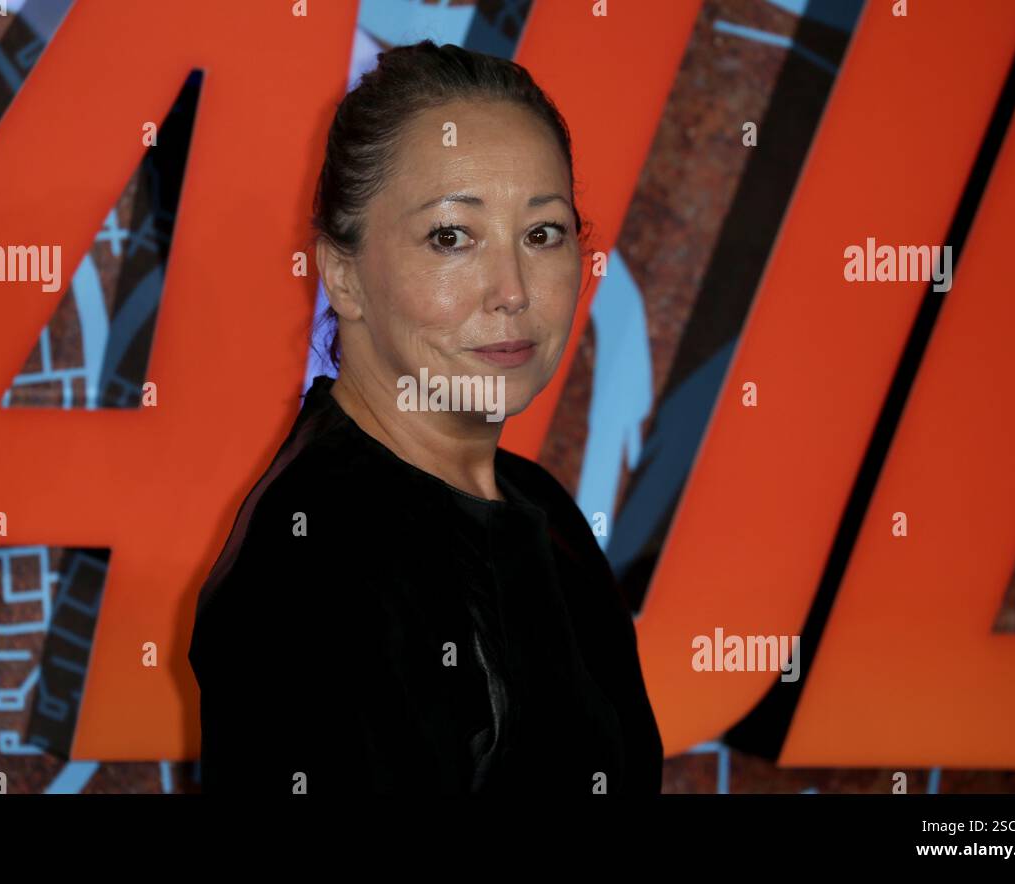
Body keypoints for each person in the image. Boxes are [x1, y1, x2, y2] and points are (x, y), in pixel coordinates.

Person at [187, 39, 662, 795]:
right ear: (343, 275)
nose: (511, 289)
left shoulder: (539, 507)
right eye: (451, 237)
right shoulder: (315, 564)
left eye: (543, 234)